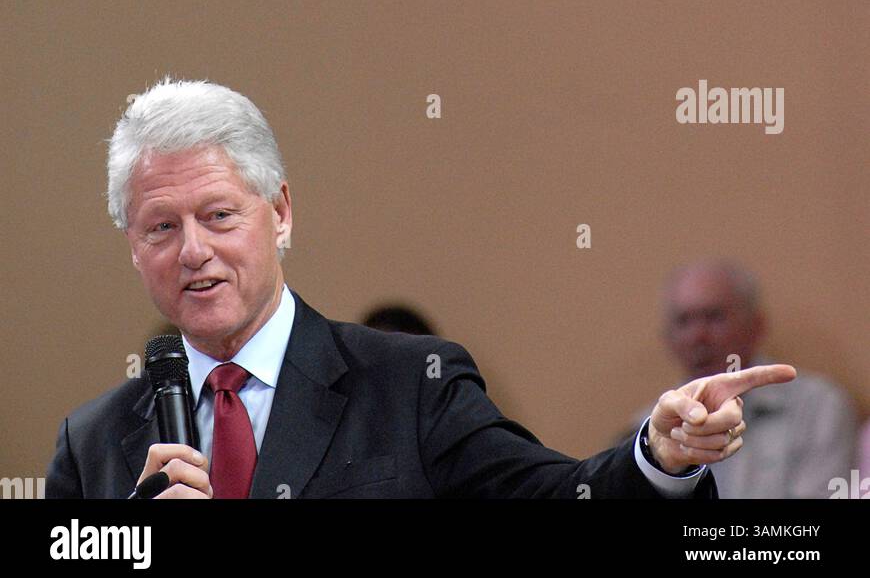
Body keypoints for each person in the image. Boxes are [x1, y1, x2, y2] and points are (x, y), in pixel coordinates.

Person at [45, 79, 796, 500]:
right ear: (133, 249)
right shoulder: (93, 444)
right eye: (160, 228)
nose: (194, 251)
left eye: (218, 216)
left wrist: (657, 458)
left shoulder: (410, 385)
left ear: (279, 213)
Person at [619, 260, 856, 499]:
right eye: (684, 321)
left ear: (756, 326)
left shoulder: (817, 406)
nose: (697, 336)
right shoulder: (649, 429)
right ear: (667, 339)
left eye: (713, 317)